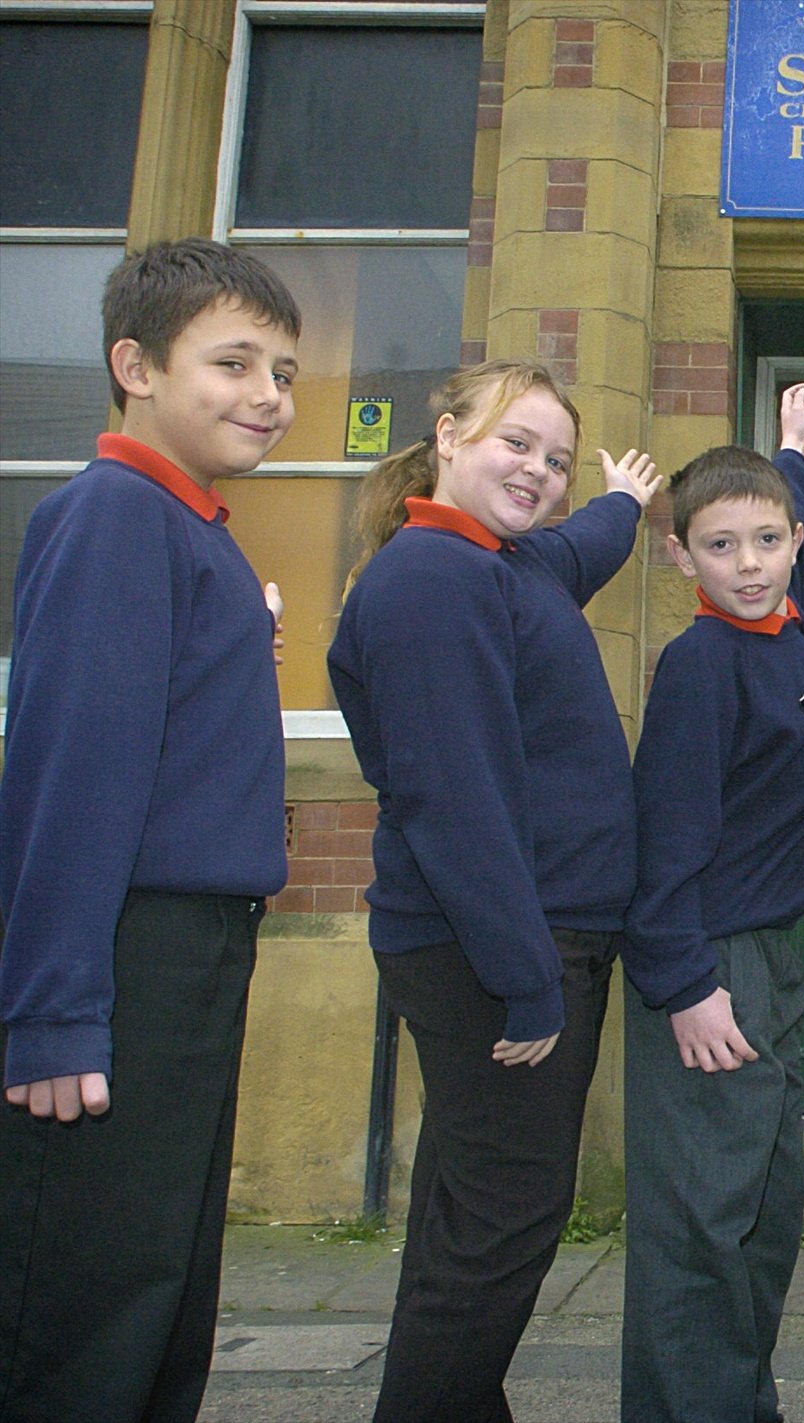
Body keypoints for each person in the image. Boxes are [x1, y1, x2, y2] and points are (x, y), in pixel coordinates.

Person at [328, 358, 660, 1423]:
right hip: (498, 946)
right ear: (449, 436)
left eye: (556, 459)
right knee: (507, 1219)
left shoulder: (508, 562)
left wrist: (623, 500)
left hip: (530, 934)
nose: (539, 472)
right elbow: (453, 794)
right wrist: (527, 981)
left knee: (469, 1218)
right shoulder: (432, 578)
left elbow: (579, 545)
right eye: (516, 443)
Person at [0, 238, 298, 1423]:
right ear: (136, 367)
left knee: (160, 1299)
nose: (268, 396)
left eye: (283, 372)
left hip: (192, 957)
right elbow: (72, 773)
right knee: (86, 1318)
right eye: (233, 363)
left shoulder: (193, 528)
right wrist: (53, 1010)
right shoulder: (116, 512)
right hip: (128, 955)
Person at [620, 383, 804, 1423]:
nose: (747, 564)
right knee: (701, 1226)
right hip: (707, 961)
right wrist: (684, 983)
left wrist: (792, 450)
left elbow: (785, 515)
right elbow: (662, 838)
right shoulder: (702, 662)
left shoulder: (788, 631)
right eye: (718, 546)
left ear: (795, 541)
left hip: (769, 959)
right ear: (680, 557)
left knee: (764, 1210)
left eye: (766, 539)